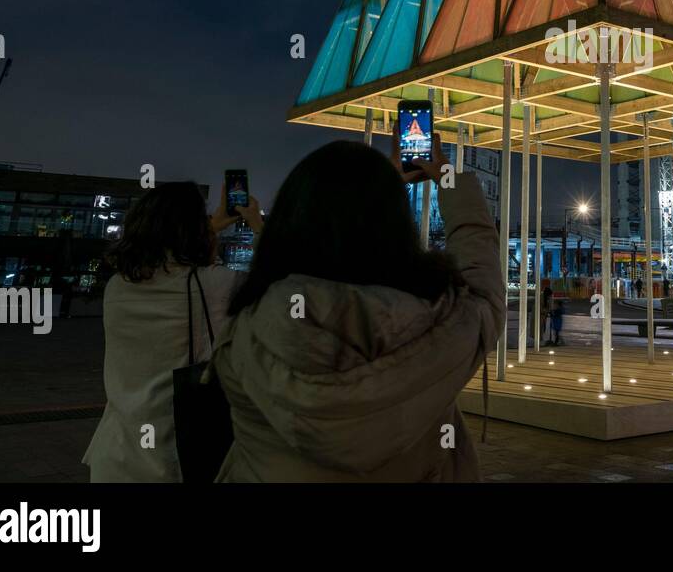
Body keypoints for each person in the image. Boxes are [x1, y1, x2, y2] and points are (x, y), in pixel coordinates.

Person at [211, 131, 502, 482]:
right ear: (398, 227)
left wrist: (231, 225)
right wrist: (445, 178)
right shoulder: (442, 322)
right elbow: (482, 279)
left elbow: (285, 255)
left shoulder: (250, 322)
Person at [83, 182, 257, 482]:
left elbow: (170, 258)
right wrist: (256, 223)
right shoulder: (216, 285)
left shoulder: (118, 285)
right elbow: (289, 281)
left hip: (116, 456)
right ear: (194, 231)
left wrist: (209, 227)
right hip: (176, 458)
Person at [540, 279, 554, 346]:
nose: (550, 297)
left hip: (543, 317)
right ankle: (540, 342)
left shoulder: (546, 299)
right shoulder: (541, 299)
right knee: (541, 329)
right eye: (549, 296)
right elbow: (541, 309)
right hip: (540, 317)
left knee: (543, 329)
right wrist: (547, 311)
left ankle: (542, 341)